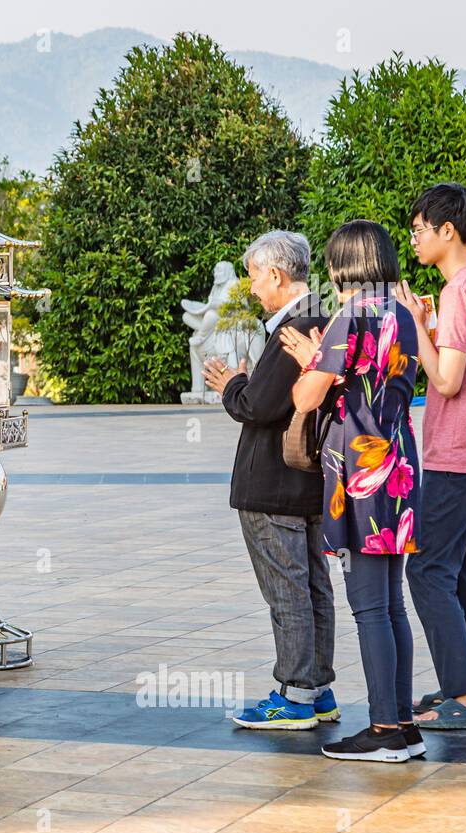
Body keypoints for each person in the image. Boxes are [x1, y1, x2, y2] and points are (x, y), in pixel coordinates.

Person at [280, 220, 424, 762]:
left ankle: (384, 730)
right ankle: (403, 723)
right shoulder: (402, 316)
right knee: (392, 604)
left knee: (368, 606)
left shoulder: (352, 314)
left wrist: (308, 362)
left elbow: (305, 396)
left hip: (361, 477)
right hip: (399, 466)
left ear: (345, 263)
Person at [203, 231, 338, 729]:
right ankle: (318, 689)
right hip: (306, 484)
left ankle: (297, 693)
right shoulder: (318, 322)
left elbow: (259, 405)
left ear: (277, 275)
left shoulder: (292, 330)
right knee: (310, 586)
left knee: (288, 589)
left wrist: (231, 384)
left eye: (256, 276)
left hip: (274, 485)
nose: (253, 287)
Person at [395, 183, 466, 730]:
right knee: (463, 575)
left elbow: (448, 379)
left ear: (447, 231)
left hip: (456, 453)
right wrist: (430, 324)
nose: (413, 238)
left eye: (419, 229)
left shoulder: (462, 289)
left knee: (427, 571)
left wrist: (416, 328)